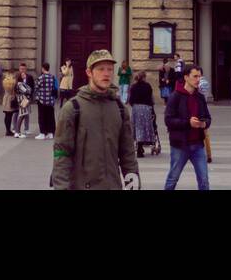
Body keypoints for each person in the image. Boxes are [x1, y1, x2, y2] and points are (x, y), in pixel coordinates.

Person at [51, 49, 139, 191]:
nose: (106, 73)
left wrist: (133, 183)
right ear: (89, 72)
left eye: (110, 69)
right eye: (100, 69)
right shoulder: (72, 108)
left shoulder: (120, 109)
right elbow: (62, 153)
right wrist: (61, 187)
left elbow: (128, 153)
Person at [164, 63, 211, 189]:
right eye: (195, 76)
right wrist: (188, 123)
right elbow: (168, 120)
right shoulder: (175, 96)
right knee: (173, 178)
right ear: (186, 77)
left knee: (204, 180)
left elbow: (208, 117)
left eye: (200, 76)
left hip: (198, 145)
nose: (198, 80)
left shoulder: (200, 97)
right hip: (180, 145)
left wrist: (204, 123)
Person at [130, 70, 158, 157]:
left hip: (136, 108)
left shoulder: (133, 87)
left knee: (137, 127)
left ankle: (139, 145)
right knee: (144, 127)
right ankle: (141, 145)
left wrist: (134, 105)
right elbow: (151, 99)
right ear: (144, 77)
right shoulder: (147, 86)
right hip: (146, 108)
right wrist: (152, 109)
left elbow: (131, 100)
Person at [35, 62, 58, 140]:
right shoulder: (52, 77)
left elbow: (36, 88)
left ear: (43, 68)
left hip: (42, 100)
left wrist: (37, 97)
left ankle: (42, 133)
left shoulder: (41, 78)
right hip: (50, 100)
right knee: (50, 116)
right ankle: (50, 133)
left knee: (42, 117)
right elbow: (55, 88)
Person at [14, 62, 35, 138]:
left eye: (24, 69)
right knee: (21, 115)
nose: (23, 73)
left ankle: (19, 131)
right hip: (22, 100)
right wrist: (28, 90)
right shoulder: (19, 84)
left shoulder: (24, 80)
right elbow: (27, 90)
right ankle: (17, 132)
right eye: (21, 69)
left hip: (25, 99)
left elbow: (31, 88)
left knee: (24, 114)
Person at [1, 71, 18, 136]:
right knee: (9, 115)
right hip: (11, 99)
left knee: (7, 115)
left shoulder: (5, 81)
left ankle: (7, 130)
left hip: (6, 98)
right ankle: (8, 131)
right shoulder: (13, 82)